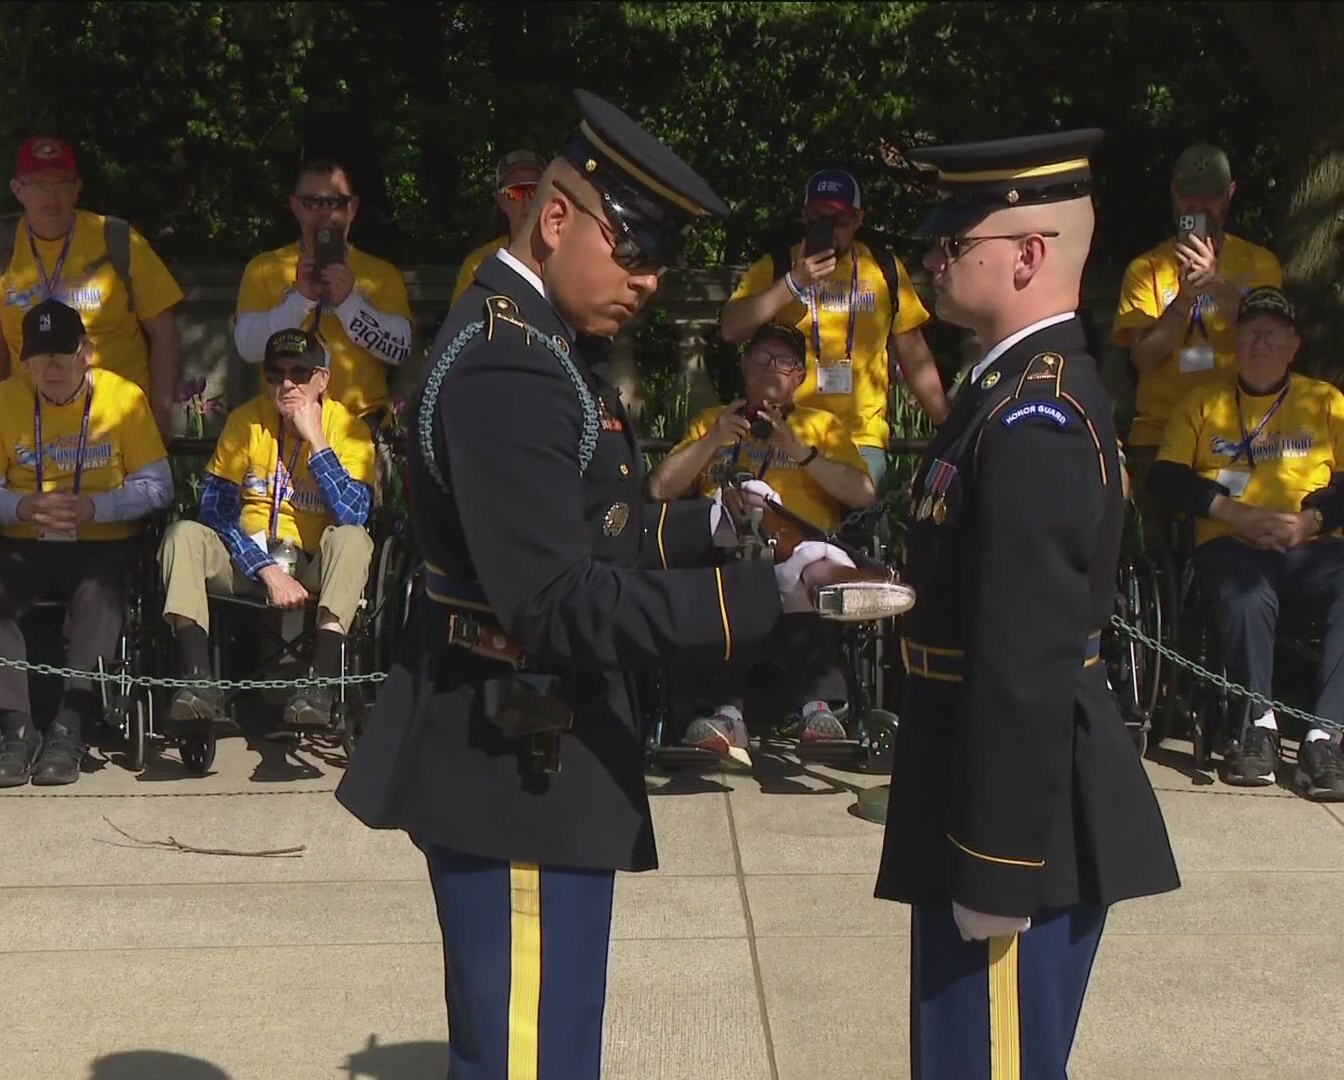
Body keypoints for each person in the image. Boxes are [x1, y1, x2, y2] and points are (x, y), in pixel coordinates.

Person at [334, 91, 858, 1080]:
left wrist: (712, 524)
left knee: (547, 1044)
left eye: (660, 260)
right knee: (533, 1056)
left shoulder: (540, 343)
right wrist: (771, 596)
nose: (649, 281)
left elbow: (589, 523)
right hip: (517, 753)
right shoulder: (510, 364)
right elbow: (554, 600)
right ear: (556, 219)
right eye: (635, 251)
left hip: (534, 743)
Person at [872, 128, 1179, 1080]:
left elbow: (1027, 652)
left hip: (1014, 825)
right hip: (969, 783)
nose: (932, 258)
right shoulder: (999, 389)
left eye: (952, 243)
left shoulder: (1036, 415)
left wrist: (998, 861)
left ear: (1028, 255)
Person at [1148, 286, 1344, 801]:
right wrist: (1234, 513)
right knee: (1244, 594)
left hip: (1311, 543)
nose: (1261, 343)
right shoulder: (1202, 401)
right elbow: (1166, 476)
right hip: (1229, 542)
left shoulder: (1325, 400)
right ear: (1235, 342)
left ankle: (1324, 739)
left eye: (1273, 335)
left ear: (1293, 345)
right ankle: (1257, 726)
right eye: (1251, 333)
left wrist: (1309, 522)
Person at [0, 300, 174, 788]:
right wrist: (20, 506)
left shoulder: (124, 399)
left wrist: (96, 507)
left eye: (62, 356)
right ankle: (14, 729)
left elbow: (159, 487)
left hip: (103, 539)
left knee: (100, 592)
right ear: (25, 362)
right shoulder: (6, 399)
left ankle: (70, 726)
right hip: (23, 539)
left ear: (86, 353)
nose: (50, 368)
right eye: (39, 359)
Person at [648, 321, 875, 754]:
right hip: (724, 555)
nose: (773, 367)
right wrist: (715, 438)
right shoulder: (712, 421)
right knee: (728, 573)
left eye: (785, 361)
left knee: (803, 570)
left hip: (799, 554)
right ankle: (725, 716)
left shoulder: (820, 425)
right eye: (762, 357)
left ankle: (816, 710)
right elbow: (660, 489)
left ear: (800, 376)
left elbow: (862, 494)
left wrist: (799, 451)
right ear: (744, 364)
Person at [159, 328, 376, 738]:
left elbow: (354, 513)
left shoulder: (349, 430)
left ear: (322, 379)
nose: (287, 384)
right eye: (276, 374)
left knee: (352, 539)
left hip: (313, 563)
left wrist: (316, 441)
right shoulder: (246, 421)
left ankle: (319, 684)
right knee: (183, 534)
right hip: (249, 560)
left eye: (299, 373)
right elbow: (216, 511)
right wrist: (266, 570)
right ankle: (197, 680)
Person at [719, 168, 946, 485]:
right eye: (818, 219)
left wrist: (948, 427)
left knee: (860, 517)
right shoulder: (779, 266)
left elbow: (914, 354)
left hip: (861, 438)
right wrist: (793, 283)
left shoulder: (883, 269)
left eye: (839, 220)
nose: (829, 229)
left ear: (858, 220)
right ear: (804, 217)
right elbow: (731, 329)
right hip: (789, 433)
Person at [0, 135, 185, 440]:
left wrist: (160, 416)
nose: (51, 198)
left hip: (117, 418)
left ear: (76, 189)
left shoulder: (119, 240)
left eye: (61, 185)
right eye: (38, 186)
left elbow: (164, 334)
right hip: (30, 420)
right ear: (17, 190)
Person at [1113, 143, 1283, 552]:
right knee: (1152, 543)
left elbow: (1271, 340)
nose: (1200, 207)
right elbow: (1143, 357)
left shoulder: (1259, 262)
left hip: (1237, 433)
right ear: (1174, 193)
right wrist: (1183, 300)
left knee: (1246, 542)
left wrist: (1218, 285)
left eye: (1210, 197)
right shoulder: (1146, 269)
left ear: (1229, 194)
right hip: (1160, 433)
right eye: (1190, 197)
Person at [233, 159, 415, 419]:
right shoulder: (263, 269)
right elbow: (248, 348)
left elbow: (399, 350)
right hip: (286, 427)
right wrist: (301, 300)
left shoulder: (382, 274)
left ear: (353, 207)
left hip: (360, 428)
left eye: (336, 202)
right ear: (295, 206)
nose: (324, 212)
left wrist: (349, 304)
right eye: (312, 202)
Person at [449, 149, 545, 307]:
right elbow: (461, 320)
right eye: (515, 192)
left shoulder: (571, 255)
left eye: (535, 190)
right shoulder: (478, 264)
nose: (527, 201)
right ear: (501, 201)